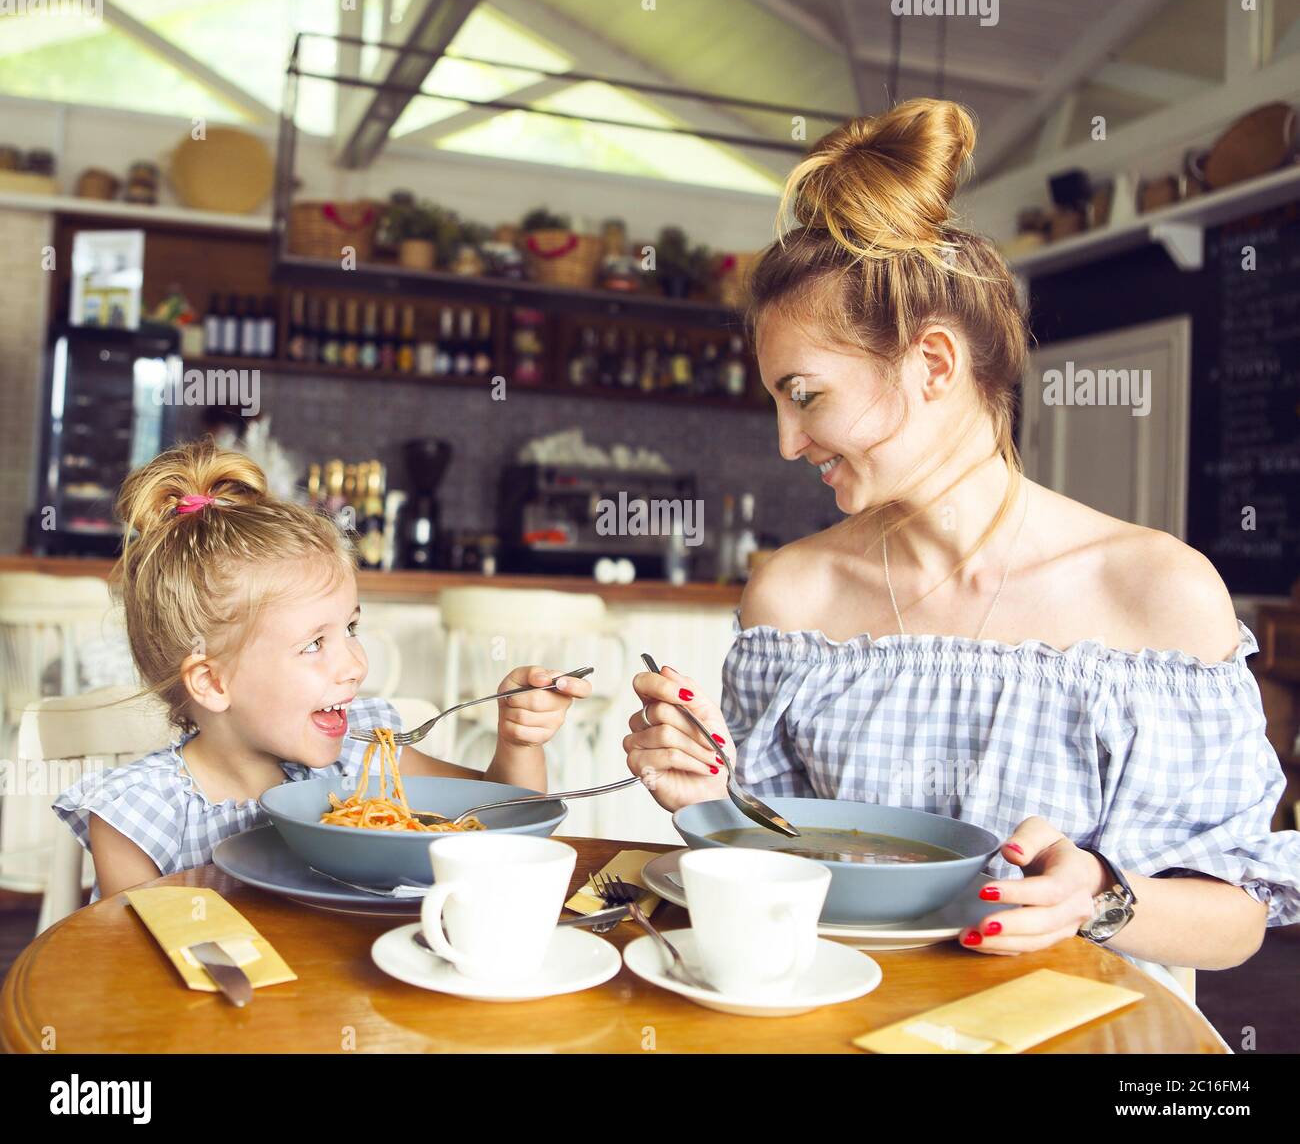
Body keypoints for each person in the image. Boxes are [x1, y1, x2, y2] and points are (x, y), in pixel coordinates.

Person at [624, 98, 1299, 991]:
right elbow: (780, 870)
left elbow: (1238, 917)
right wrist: (708, 797)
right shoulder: (793, 597)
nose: (788, 441)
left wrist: (1097, 894)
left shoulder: (1160, 592)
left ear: (933, 363)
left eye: (808, 395)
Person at [53, 438, 590, 902]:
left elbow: (504, 823)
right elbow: (136, 971)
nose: (355, 665)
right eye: (314, 643)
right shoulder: (139, 818)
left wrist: (519, 743)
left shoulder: (362, 758)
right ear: (213, 682)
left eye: (350, 629)